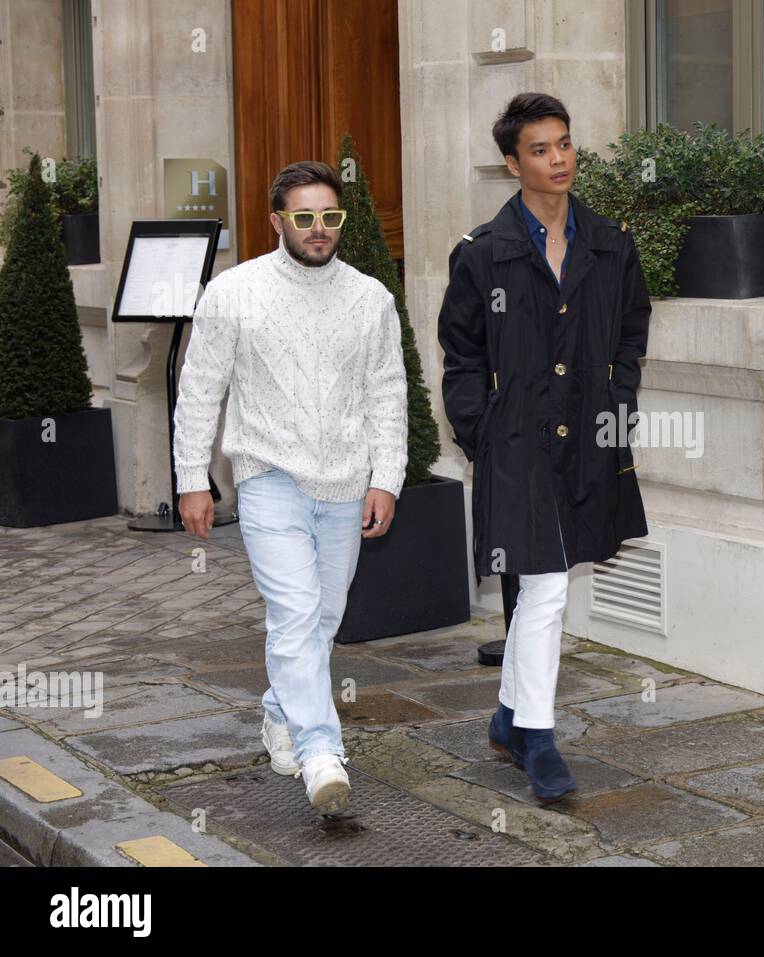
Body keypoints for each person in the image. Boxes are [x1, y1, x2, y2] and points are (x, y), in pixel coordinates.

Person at [172, 160, 408, 815]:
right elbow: (199, 392)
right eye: (303, 217)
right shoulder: (234, 292)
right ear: (276, 220)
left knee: (321, 619)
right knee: (297, 615)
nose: (318, 229)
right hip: (267, 477)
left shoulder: (370, 298)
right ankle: (320, 750)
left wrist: (385, 477)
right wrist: (193, 479)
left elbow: (387, 394)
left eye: (329, 217)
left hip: (344, 484)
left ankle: (280, 710)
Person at [437, 92, 652, 801]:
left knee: (540, 581)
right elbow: (459, 353)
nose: (558, 159)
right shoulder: (481, 255)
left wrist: (619, 403)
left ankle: (505, 717)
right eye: (540, 148)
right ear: (512, 163)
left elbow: (631, 328)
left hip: (588, 434)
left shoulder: (611, 243)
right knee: (549, 582)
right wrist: (480, 428)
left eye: (564, 143)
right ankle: (538, 736)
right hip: (517, 441)